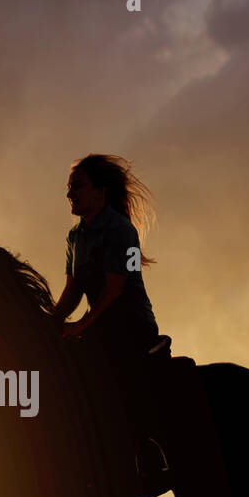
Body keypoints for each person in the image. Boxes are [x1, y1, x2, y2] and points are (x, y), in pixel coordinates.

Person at [56, 154, 171, 475]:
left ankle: (146, 448)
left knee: (109, 369)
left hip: (130, 324)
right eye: (69, 188)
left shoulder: (122, 231)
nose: (69, 194)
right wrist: (48, 323)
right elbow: (72, 292)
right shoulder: (74, 237)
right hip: (98, 322)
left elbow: (114, 291)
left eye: (77, 186)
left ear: (100, 192)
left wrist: (81, 325)